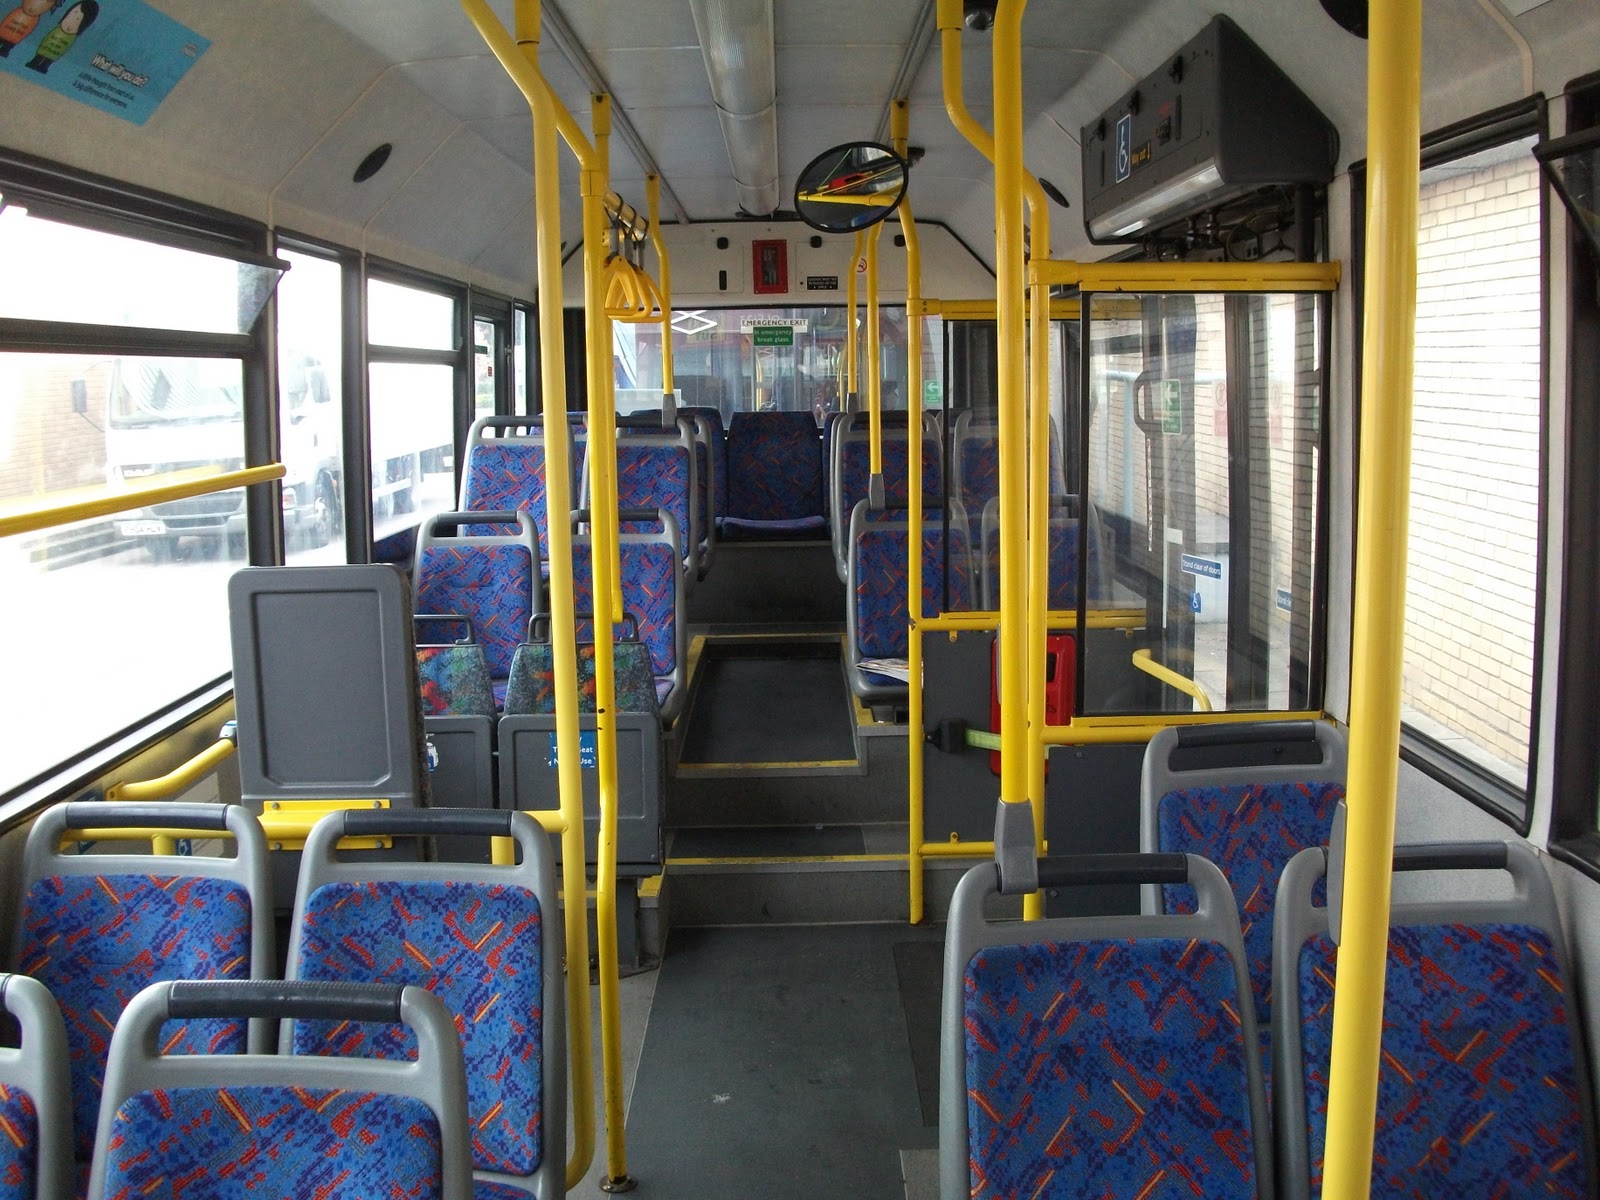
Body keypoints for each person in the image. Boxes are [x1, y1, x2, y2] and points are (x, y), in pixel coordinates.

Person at [25, 0, 95, 73]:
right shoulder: (58, 30)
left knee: (47, 62)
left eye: (78, 20)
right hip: (45, 49)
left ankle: (43, 67)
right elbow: (48, 36)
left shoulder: (71, 37)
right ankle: (34, 63)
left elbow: (67, 47)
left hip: (55, 54)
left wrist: (59, 54)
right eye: (73, 14)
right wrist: (42, 45)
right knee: (39, 57)